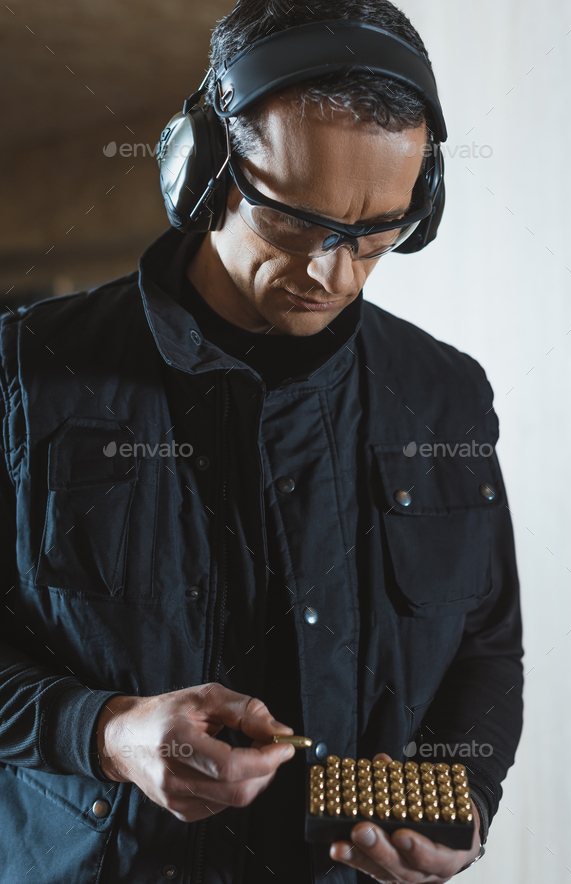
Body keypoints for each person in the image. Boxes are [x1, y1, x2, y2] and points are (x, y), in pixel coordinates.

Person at [0, 1, 523, 882]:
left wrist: (465, 796)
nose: (332, 273)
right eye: (293, 220)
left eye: (376, 233)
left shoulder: (447, 396)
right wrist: (104, 732)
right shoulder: (26, 370)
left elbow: (487, 646)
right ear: (201, 168)